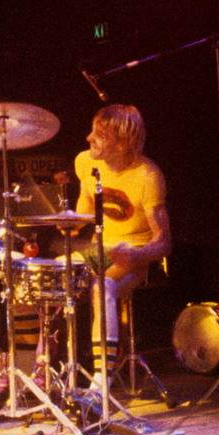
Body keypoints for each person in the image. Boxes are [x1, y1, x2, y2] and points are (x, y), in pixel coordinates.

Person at [75, 105, 170, 377]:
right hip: (97, 249)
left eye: (99, 134)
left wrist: (137, 256)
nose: (88, 138)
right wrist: (70, 224)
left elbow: (164, 243)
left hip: (134, 253)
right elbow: (84, 211)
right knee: (50, 278)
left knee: (101, 287)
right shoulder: (85, 162)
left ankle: (100, 382)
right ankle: (43, 368)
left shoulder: (148, 176)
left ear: (123, 142)